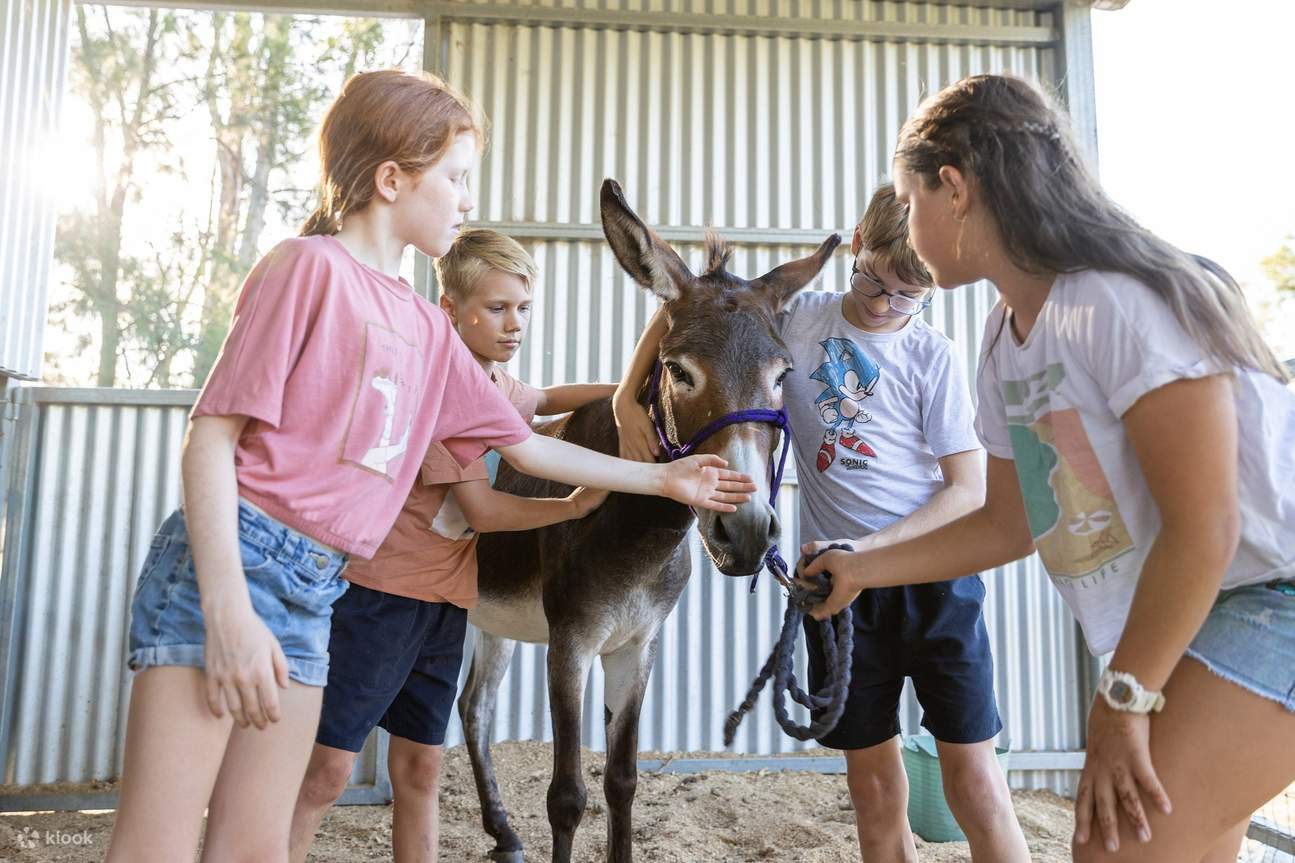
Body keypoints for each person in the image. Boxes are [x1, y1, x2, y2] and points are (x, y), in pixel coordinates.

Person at [106, 71, 753, 863]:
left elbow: (528, 445)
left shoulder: (426, 327)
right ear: (391, 179)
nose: (467, 200)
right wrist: (229, 607)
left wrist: (664, 478)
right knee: (157, 844)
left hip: (317, 586)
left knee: (253, 848)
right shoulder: (306, 268)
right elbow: (210, 437)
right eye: (455, 176)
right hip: (236, 561)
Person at [803, 73, 1295, 863]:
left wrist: (1121, 700)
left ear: (953, 188)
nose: (910, 223)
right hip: (1205, 610)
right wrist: (863, 568)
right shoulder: (1004, 337)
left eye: (911, 197)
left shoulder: (1115, 299)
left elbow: (1205, 526)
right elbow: (1008, 522)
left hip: (1270, 598)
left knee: (1109, 845)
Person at [614, 183, 1028, 862]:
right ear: (856, 245)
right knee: (873, 789)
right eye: (873, 282)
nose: (884, 305)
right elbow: (686, 310)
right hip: (836, 592)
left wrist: (867, 553)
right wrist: (624, 397)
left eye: (907, 296)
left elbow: (967, 490)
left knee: (976, 783)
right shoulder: (796, 318)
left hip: (935, 582)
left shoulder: (932, 356)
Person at [288, 229, 619, 862]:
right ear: (450, 309)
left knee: (421, 770)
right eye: (496, 308)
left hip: (446, 600)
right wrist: (572, 507)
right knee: (326, 772)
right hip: (382, 595)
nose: (514, 324)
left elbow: (546, 399)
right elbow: (482, 510)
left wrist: (632, 392)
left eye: (523, 308)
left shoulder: (495, 383)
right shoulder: (441, 388)